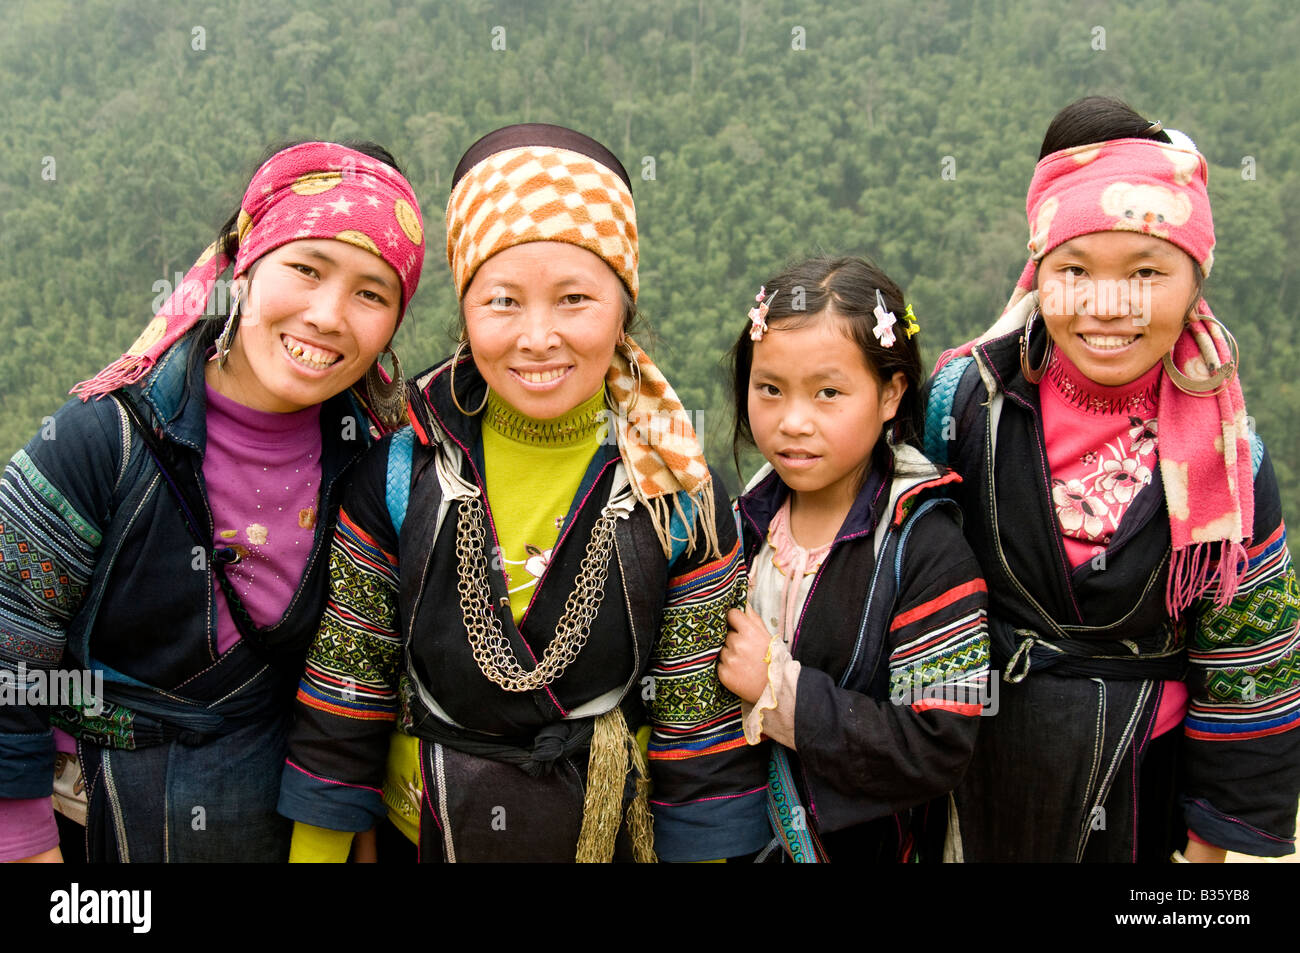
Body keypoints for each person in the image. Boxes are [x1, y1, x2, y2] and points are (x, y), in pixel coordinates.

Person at [279, 123, 771, 862]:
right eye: (503, 301)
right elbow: (345, 694)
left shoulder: (679, 492)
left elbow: (698, 738)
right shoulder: (400, 471)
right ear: (466, 307)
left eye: (574, 298)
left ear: (624, 305)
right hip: (424, 837)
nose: (538, 337)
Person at [0, 139, 426, 862]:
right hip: (88, 831)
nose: (328, 315)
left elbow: (361, 676)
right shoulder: (102, 440)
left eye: (370, 293)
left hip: (277, 829)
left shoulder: (375, 463)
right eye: (306, 268)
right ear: (241, 267)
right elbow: (11, 648)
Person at [925, 96, 1300, 861]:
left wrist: (1204, 855)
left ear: (1194, 280)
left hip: (1138, 793)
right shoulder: (966, 403)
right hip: (973, 771)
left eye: (1146, 271)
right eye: (1073, 270)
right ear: (1039, 274)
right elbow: (919, 587)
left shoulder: (1229, 461)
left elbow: (1244, 669)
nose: (1107, 304)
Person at [717, 257, 990, 861]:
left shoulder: (924, 547)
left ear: (890, 394)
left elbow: (937, 740)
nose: (793, 422)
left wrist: (779, 691)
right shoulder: (736, 526)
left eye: (829, 393)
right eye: (770, 389)